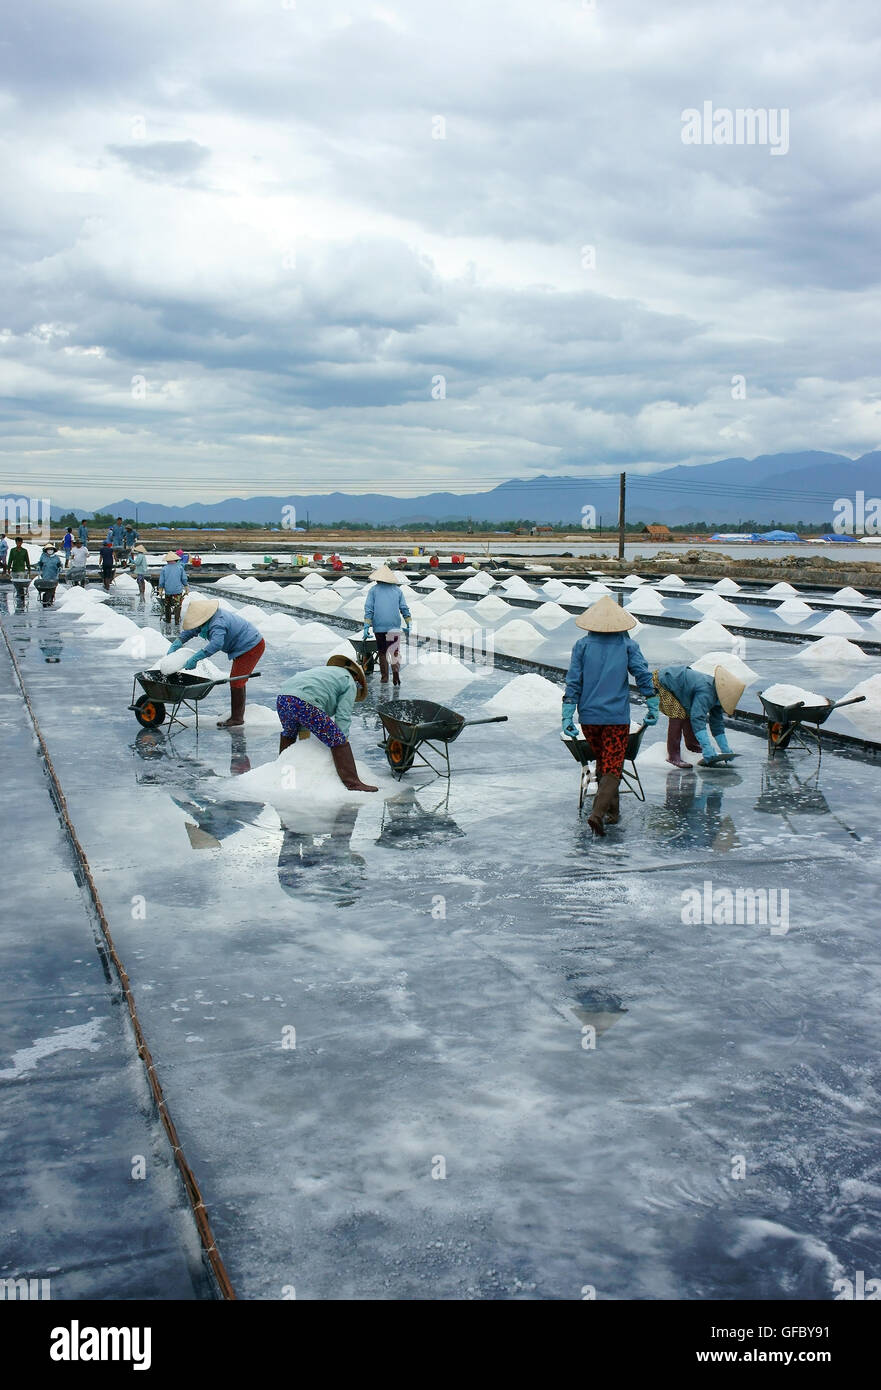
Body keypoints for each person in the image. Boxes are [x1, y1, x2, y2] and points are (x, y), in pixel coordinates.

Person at [563, 595, 659, 835]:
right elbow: (643, 675)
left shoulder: (582, 646)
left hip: (589, 718)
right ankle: (597, 814)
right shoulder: (628, 646)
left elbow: (573, 681)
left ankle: (612, 813)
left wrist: (567, 714)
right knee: (614, 767)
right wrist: (652, 703)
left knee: (604, 763)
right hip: (616, 719)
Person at [276, 656, 377, 791]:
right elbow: (343, 715)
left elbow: (304, 717)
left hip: (283, 698)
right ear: (357, 678)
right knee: (337, 738)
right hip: (304, 702)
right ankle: (353, 783)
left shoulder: (326, 673)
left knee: (289, 734)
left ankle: (282, 775)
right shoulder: (349, 682)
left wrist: (303, 747)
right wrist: (341, 739)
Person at [168, 597, 264, 728]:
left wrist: (196, 658)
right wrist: (178, 641)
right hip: (243, 645)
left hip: (251, 646)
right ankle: (237, 714)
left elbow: (216, 644)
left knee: (236, 681)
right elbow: (192, 630)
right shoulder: (207, 619)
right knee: (238, 680)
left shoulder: (217, 623)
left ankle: (237, 718)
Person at [653, 664, 744, 767]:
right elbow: (697, 718)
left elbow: (717, 724)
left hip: (681, 689)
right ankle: (673, 757)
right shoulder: (706, 692)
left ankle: (693, 746)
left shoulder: (718, 697)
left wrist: (725, 748)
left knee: (688, 713)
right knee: (678, 715)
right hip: (663, 681)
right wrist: (706, 746)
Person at [363, 564, 412, 686]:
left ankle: (384, 677)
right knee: (394, 651)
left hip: (379, 626)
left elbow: (369, 609)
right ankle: (395, 672)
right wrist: (409, 622)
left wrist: (366, 626)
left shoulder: (373, 590)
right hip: (394, 626)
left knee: (382, 652)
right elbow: (404, 608)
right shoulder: (398, 591)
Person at [157, 550, 188, 624]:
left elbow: (161, 581)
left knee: (167, 606)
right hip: (177, 591)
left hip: (168, 591)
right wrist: (186, 588)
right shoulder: (180, 567)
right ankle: (177, 621)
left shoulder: (164, 568)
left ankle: (168, 620)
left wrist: (160, 590)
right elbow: (184, 579)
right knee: (177, 606)